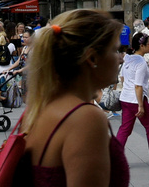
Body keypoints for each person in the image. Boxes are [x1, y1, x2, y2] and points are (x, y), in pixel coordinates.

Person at [19, 11, 127, 187]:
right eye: (115, 50)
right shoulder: (85, 118)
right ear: (92, 58)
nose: (121, 58)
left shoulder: (42, 107)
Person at [116, 31, 149, 167]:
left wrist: (127, 89)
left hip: (126, 98)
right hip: (137, 100)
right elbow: (138, 86)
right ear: (142, 46)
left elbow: (122, 78)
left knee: (125, 129)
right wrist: (141, 105)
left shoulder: (128, 58)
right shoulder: (140, 62)